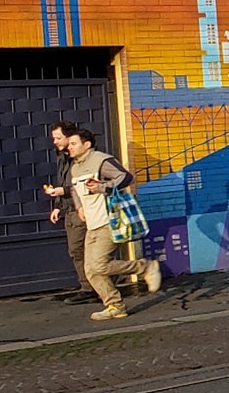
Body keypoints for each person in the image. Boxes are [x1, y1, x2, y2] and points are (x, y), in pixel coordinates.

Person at [64, 127, 158, 319]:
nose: (69, 147)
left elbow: (125, 177)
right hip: (92, 223)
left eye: (73, 143)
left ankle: (144, 266)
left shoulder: (100, 160)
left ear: (86, 145)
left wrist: (103, 186)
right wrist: (79, 207)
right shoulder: (75, 166)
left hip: (109, 220)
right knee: (90, 271)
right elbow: (75, 189)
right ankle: (115, 306)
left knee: (99, 266)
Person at [40, 119, 89, 301]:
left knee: (79, 249)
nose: (55, 142)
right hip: (69, 209)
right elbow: (64, 182)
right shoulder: (62, 158)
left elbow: (81, 183)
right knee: (77, 250)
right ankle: (91, 286)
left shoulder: (80, 158)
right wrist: (58, 206)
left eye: (58, 138)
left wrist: (63, 191)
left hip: (80, 210)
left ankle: (90, 288)